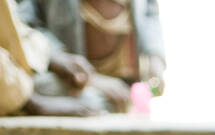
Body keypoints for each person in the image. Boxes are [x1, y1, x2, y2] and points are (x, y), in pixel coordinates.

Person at [18, 0, 165, 111]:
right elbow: (22, 24)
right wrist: (58, 59)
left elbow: (149, 11)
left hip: (125, 86)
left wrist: (154, 56)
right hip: (69, 82)